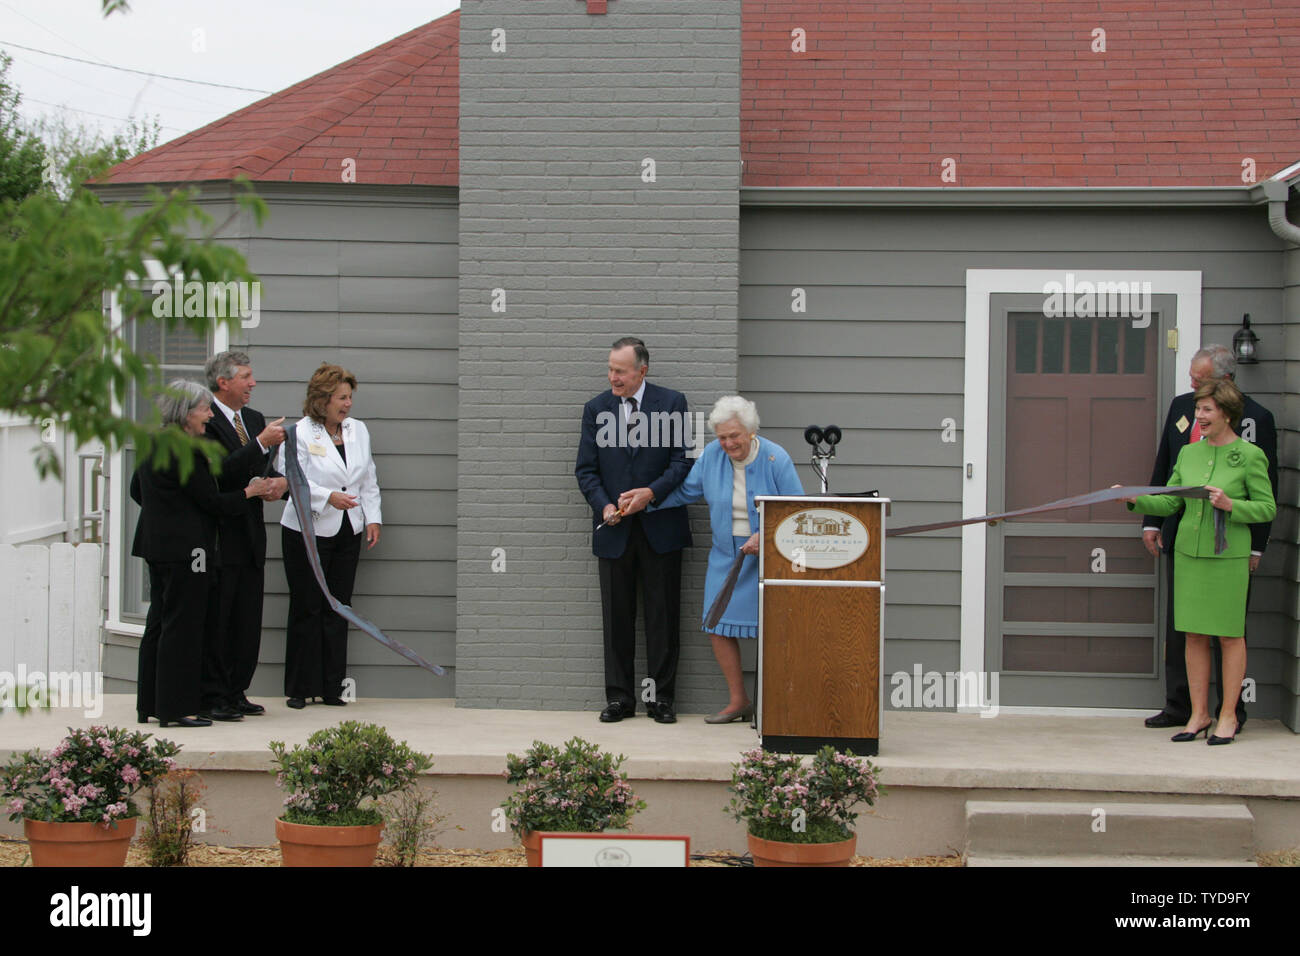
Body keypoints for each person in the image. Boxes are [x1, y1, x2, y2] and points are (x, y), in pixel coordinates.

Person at [619, 396, 803, 723]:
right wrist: (645, 501)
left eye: (735, 436)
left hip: (768, 552)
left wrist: (771, 535)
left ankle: (777, 705)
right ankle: (739, 701)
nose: (729, 443)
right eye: (722, 437)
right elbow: (685, 492)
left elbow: (796, 510)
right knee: (716, 623)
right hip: (725, 554)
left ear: (750, 431)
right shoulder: (711, 457)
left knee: (776, 626)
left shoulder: (777, 458)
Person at [1126, 378, 1275, 745]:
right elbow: (1171, 502)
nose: (1199, 416)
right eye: (1197, 410)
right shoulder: (1188, 454)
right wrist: (1133, 499)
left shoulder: (1250, 456)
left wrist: (1231, 505)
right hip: (1190, 555)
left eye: (1206, 410)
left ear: (1227, 413)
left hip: (1227, 558)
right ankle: (1198, 714)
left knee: (1229, 636)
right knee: (1192, 635)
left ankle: (1227, 716)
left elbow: (1267, 508)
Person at [132, 380, 267, 728]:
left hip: (156, 546)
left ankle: (149, 702)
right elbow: (212, 503)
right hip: (188, 550)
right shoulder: (188, 450)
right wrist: (250, 493)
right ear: (186, 412)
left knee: (159, 623)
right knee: (184, 627)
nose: (209, 415)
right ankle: (177, 708)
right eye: (204, 408)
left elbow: (137, 491)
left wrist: (167, 512)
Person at [575, 337, 692, 724]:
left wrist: (650, 493)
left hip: (661, 527)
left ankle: (661, 700)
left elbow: (683, 461)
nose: (613, 377)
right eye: (610, 369)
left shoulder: (674, 403)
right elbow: (586, 470)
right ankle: (620, 699)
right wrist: (605, 505)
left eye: (620, 371)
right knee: (617, 618)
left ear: (642, 370)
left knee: (662, 616)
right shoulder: (596, 409)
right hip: (614, 529)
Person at [275, 364, 382, 710]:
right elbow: (291, 478)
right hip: (307, 530)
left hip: (347, 529)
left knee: (338, 608)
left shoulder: (358, 430)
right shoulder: (300, 433)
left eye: (350, 397)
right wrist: (327, 498)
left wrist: (372, 518)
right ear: (322, 401)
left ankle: (331, 687)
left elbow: (368, 478)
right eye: (341, 398)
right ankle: (300, 688)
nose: (348, 404)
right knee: (307, 607)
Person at [202, 350, 287, 720]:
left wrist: (277, 483)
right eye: (246, 376)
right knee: (221, 617)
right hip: (222, 536)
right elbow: (218, 472)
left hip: (252, 533)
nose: (253, 383)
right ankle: (214, 694)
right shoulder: (204, 421)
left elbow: (260, 466)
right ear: (224, 382)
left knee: (247, 620)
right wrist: (260, 443)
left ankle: (237, 690)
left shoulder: (253, 419)